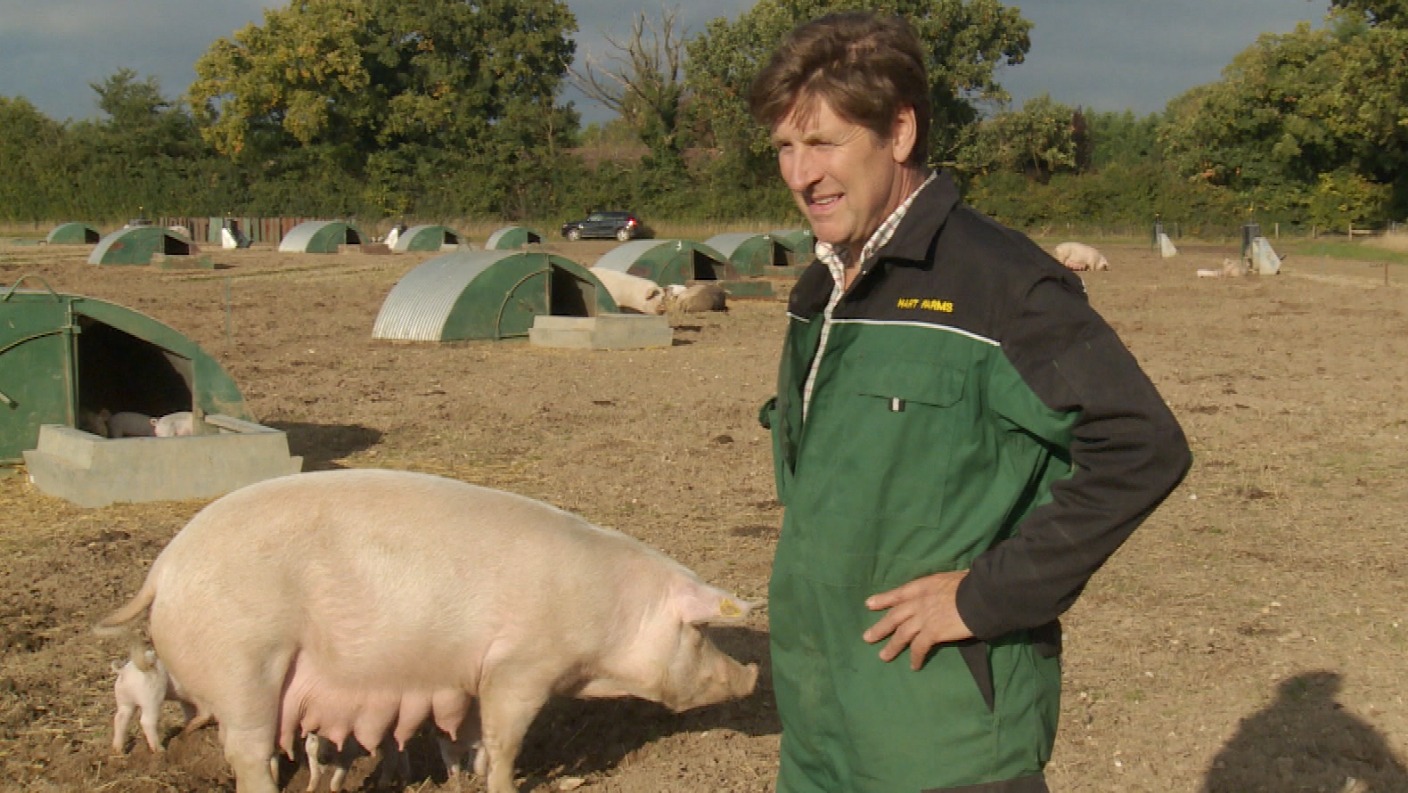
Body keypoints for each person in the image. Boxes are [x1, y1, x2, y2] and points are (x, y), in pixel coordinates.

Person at [749, 12, 1192, 792]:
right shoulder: (821, 287)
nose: (799, 173)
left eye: (822, 142)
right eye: (785, 146)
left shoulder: (1001, 284)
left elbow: (1140, 444)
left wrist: (984, 598)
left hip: (943, 739)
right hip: (819, 732)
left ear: (899, 131)